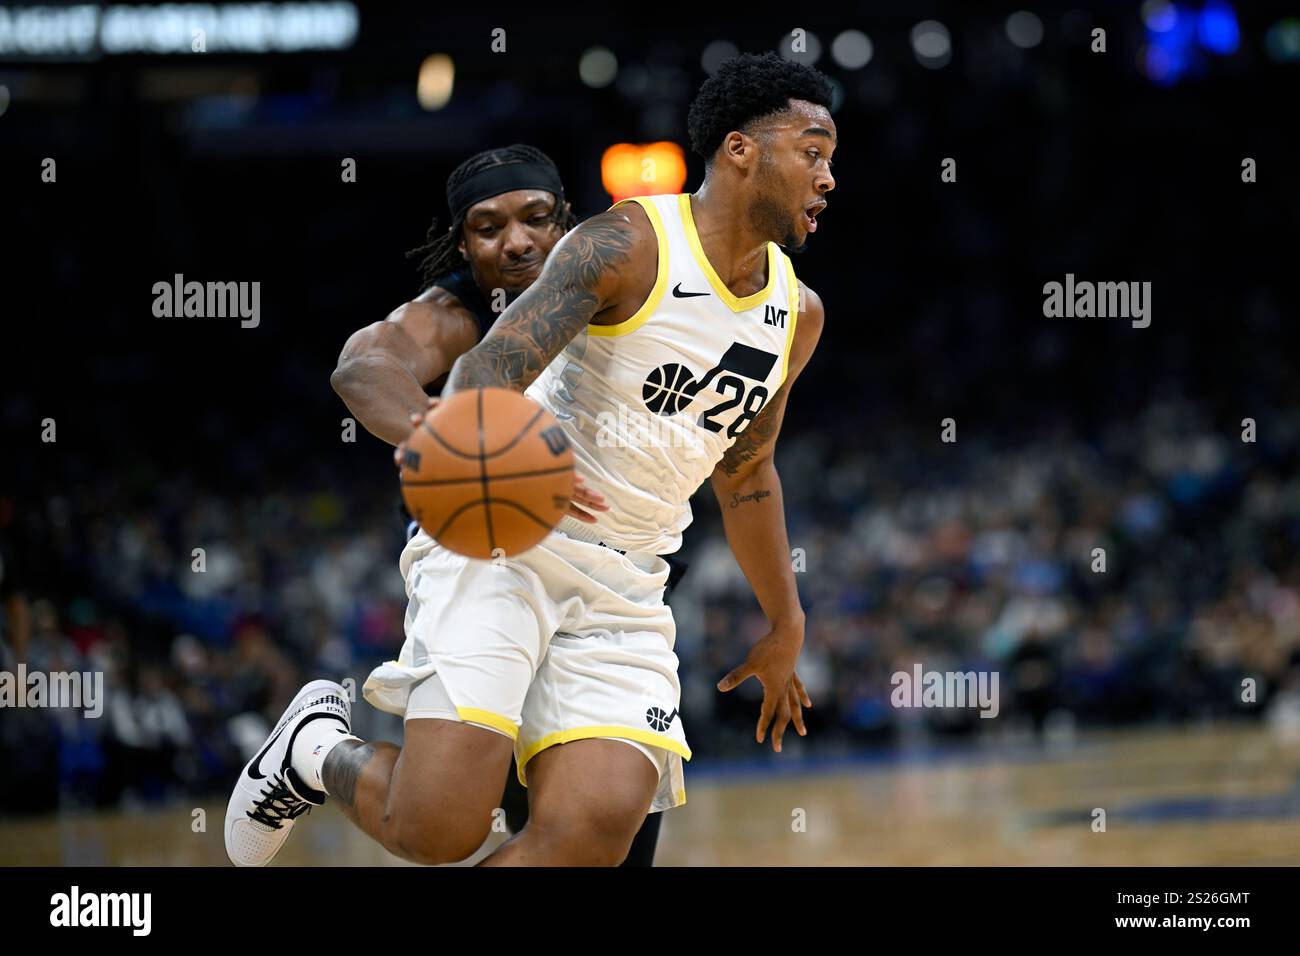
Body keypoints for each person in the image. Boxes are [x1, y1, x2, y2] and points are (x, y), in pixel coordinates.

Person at [225, 51, 834, 867]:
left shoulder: (797, 314)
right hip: (510, 545)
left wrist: (786, 620)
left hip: (627, 582)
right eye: (814, 151)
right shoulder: (622, 241)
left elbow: (747, 471)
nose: (828, 177)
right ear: (740, 151)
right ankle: (313, 747)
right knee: (439, 830)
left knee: (593, 832)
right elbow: (480, 370)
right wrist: (512, 455)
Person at [330, 143, 669, 864]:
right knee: (470, 823)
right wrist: (461, 439)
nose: (516, 242)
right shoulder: (456, 312)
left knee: (612, 839)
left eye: (535, 219)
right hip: (488, 568)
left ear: (567, 221)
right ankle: (318, 751)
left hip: (601, 576)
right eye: (488, 228)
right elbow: (364, 367)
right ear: (462, 243)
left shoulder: (619, 282)